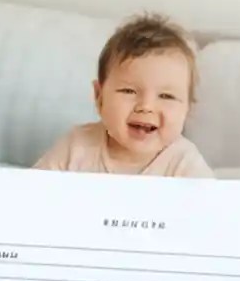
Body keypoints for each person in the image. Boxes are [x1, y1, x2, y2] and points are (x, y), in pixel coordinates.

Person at [34, 12, 214, 178]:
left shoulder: (185, 164)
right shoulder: (76, 147)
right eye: (129, 91)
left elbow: (210, 210)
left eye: (166, 96)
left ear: (187, 109)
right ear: (99, 97)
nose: (146, 106)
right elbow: (30, 194)